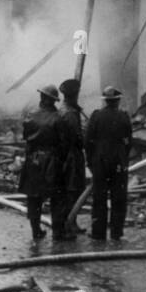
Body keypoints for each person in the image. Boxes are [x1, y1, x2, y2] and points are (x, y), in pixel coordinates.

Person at [85, 86, 133, 242]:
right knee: (118, 198)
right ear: (118, 101)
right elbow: (128, 142)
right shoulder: (124, 117)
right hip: (119, 162)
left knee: (99, 197)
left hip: (100, 162)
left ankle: (98, 233)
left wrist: (91, 161)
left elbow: (88, 141)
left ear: (105, 101)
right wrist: (123, 158)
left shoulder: (96, 116)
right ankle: (116, 232)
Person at [18, 84, 64, 243]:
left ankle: (36, 230)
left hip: (34, 159)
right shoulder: (58, 118)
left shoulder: (30, 116)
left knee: (33, 198)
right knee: (56, 197)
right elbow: (63, 142)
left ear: (42, 98)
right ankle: (58, 232)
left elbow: (26, 137)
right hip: (52, 160)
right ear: (53, 101)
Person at [55, 78, 86, 241]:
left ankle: (71, 222)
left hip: (66, 155)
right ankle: (69, 223)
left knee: (71, 190)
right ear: (75, 94)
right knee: (73, 190)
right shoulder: (70, 114)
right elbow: (76, 138)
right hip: (72, 156)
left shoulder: (63, 110)